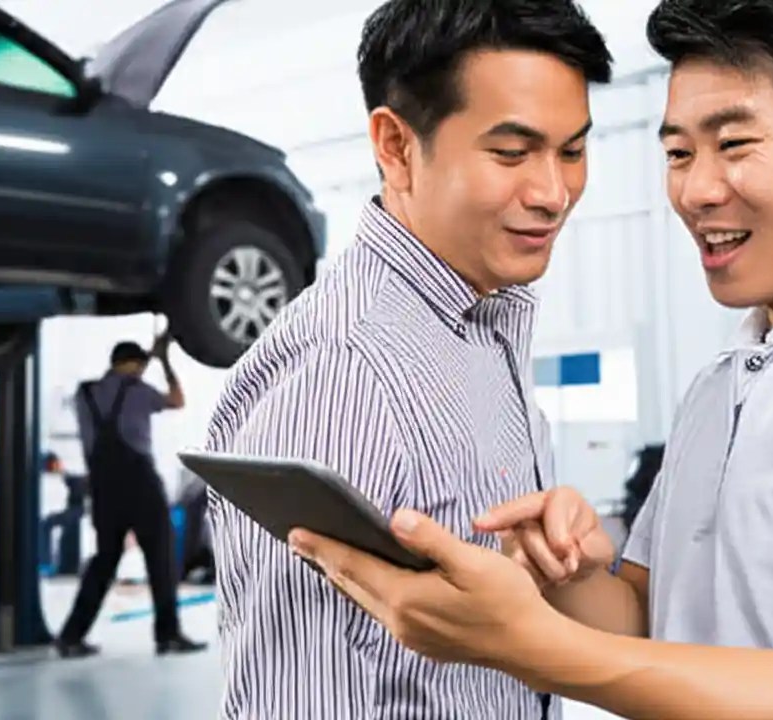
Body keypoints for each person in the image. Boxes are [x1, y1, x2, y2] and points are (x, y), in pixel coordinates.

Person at [287, 1, 773, 718]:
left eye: (733, 145)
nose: (695, 190)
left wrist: (531, 647)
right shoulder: (725, 383)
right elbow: (646, 620)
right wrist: (569, 576)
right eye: (678, 152)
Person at [200, 1, 612, 717]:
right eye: (511, 153)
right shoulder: (346, 370)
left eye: (572, 151)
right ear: (394, 146)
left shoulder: (482, 324)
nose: (552, 193)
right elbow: (301, 695)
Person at [55, 333, 205, 659]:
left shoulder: (86, 393)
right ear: (137, 365)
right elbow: (178, 400)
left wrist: (146, 360)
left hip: (103, 488)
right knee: (161, 557)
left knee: (104, 561)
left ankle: (70, 636)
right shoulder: (138, 390)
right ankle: (168, 635)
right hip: (139, 484)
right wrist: (164, 360)